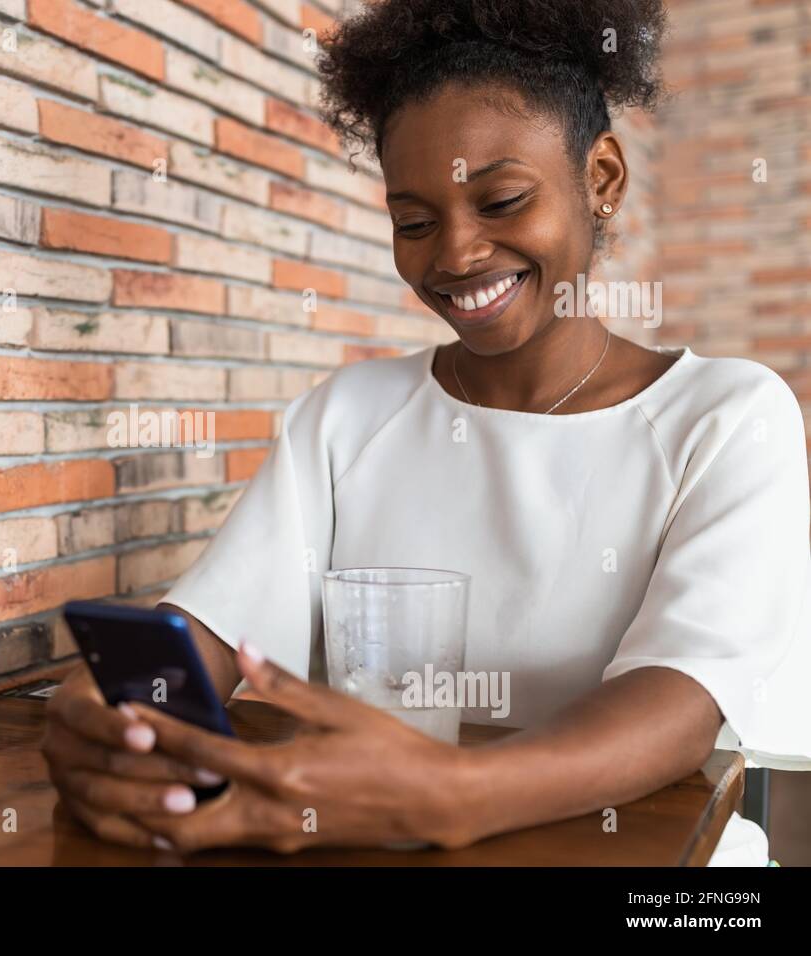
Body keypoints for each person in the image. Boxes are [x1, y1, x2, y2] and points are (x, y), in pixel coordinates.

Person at [40, 0, 811, 864]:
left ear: (601, 179)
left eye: (502, 199)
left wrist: (448, 797)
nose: (455, 253)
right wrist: (112, 710)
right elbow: (213, 635)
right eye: (413, 221)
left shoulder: (727, 416)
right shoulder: (350, 417)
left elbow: (679, 704)